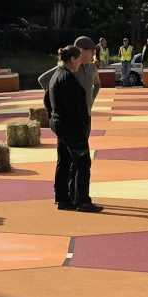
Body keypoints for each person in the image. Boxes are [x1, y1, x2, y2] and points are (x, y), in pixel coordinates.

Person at [47, 44, 100, 213]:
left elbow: (46, 99)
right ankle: (82, 200)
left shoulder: (56, 75)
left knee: (64, 160)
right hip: (72, 127)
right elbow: (76, 108)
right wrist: (82, 127)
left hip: (60, 124)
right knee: (83, 162)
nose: (80, 62)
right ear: (72, 59)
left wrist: (53, 116)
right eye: (78, 59)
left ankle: (62, 197)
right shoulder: (68, 79)